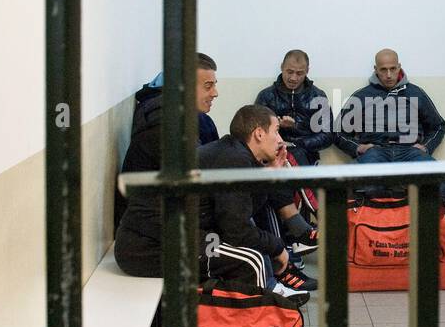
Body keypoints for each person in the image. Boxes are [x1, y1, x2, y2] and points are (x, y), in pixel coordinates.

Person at [113, 52, 220, 271]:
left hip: (161, 221)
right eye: (208, 86)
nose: (215, 93)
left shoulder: (183, 119)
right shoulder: (167, 130)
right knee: (238, 241)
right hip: (146, 239)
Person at [197, 105, 310, 303]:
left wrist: (270, 176)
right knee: (252, 260)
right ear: (259, 133)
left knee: (256, 228)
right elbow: (237, 231)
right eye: (276, 131)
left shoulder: (235, 152)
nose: (280, 139)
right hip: (159, 242)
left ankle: (273, 285)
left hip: (195, 229)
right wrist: (278, 249)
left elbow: (245, 211)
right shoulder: (234, 159)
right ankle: (266, 302)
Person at [336, 48, 445, 199]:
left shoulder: (415, 93)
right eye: (383, 70)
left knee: (441, 181)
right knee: (350, 183)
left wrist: (426, 146)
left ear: (399, 67)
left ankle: (442, 222)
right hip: (376, 152)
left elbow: (438, 126)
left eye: (392, 69)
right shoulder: (362, 96)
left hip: (410, 151)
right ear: (376, 70)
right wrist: (357, 147)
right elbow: (338, 132)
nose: (389, 75)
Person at [254, 49, 334, 167]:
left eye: (299, 73)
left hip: (306, 154)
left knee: (298, 155)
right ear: (282, 67)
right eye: (289, 72)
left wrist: (297, 139)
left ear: (307, 71)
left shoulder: (318, 96)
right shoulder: (266, 96)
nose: (293, 78)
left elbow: (328, 135)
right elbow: (256, 132)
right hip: (273, 154)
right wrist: (276, 126)